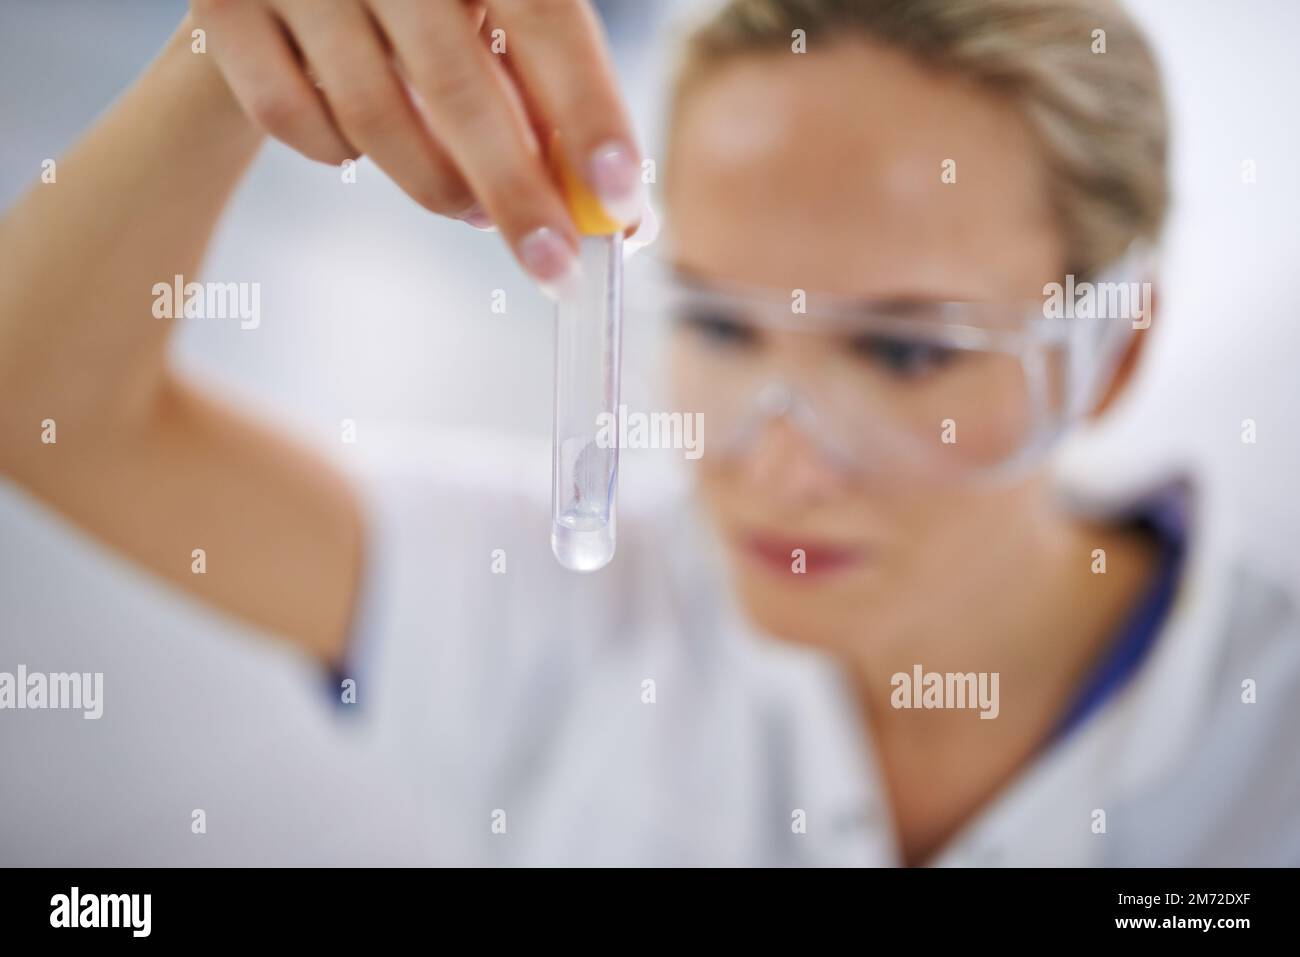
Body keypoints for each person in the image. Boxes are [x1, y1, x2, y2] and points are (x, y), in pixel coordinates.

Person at [1, 0, 1296, 866]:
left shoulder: (1265, 722)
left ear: (1112, 352)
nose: (777, 464)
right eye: (724, 331)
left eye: (907, 350)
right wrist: (230, 60)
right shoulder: (584, 613)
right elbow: (49, 414)